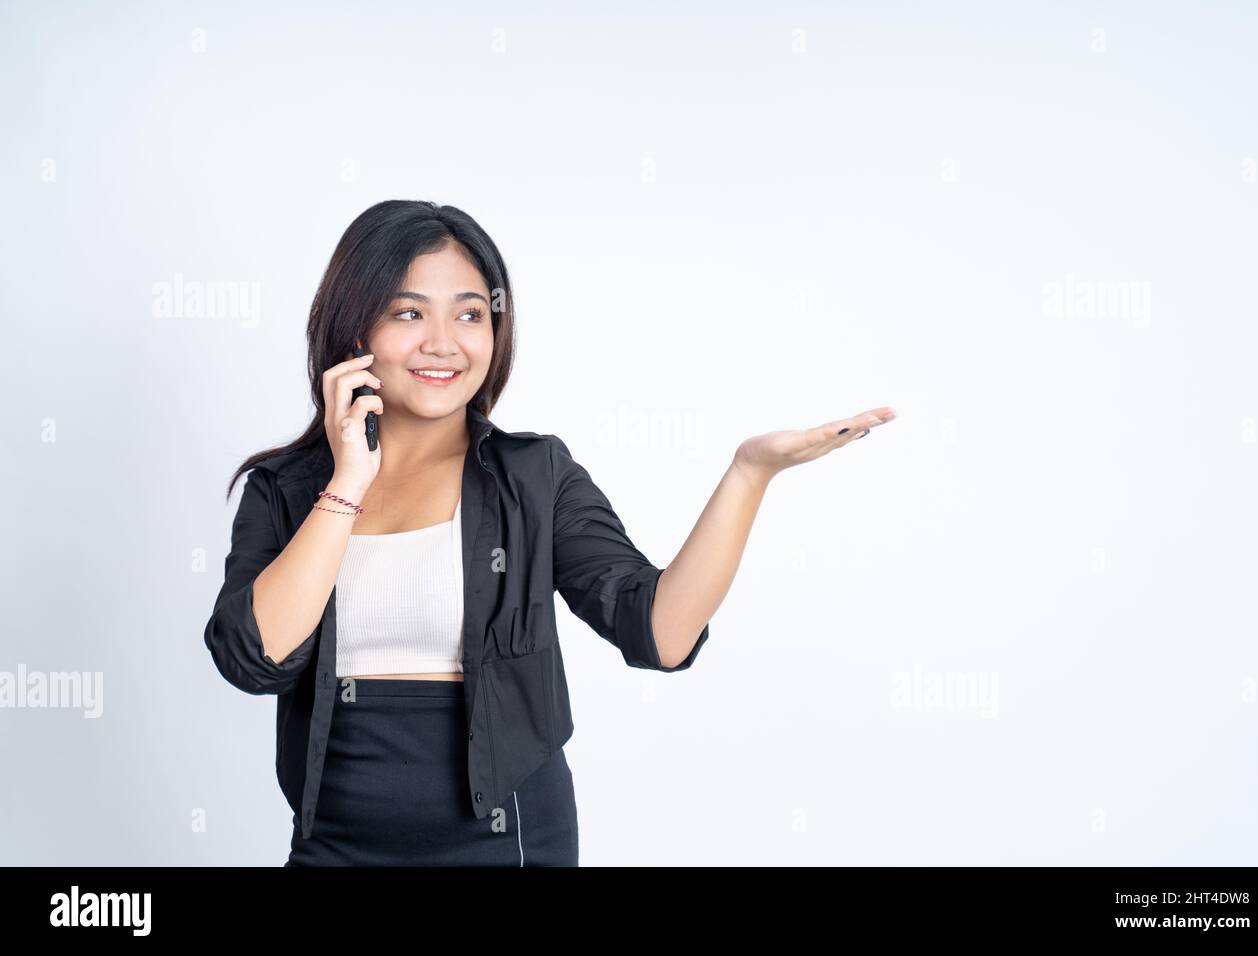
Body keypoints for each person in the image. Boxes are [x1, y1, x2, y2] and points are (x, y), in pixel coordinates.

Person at [204, 198, 896, 866]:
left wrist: (749, 475)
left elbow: (660, 631)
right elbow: (254, 660)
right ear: (358, 335)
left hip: (509, 846)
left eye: (470, 314)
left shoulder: (534, 476)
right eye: (409, 313)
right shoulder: (288, 492)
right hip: (333, 848)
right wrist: (348, 482)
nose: (443, 342)